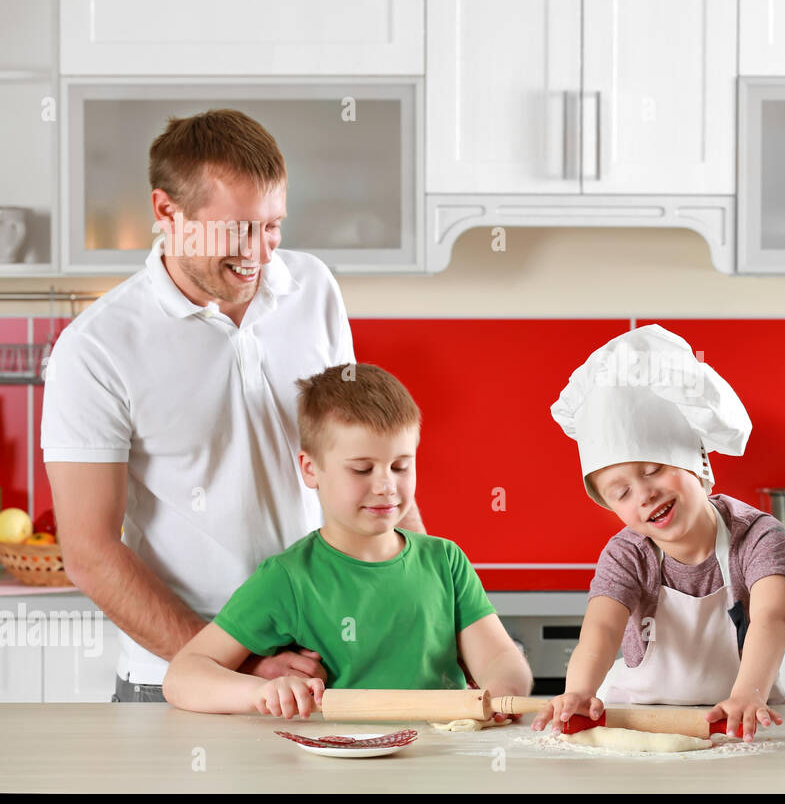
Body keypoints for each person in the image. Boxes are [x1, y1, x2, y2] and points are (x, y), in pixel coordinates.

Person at [41, 108, 425, 703]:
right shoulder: (96, 348)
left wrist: (430, 609)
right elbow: (91, 552)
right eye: (239, 229)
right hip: (181, 687)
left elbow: (370, 457)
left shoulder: (314, 289)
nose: (261, 253)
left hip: (326, 668)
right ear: (168, 211)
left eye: (273, 226)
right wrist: (239, 666)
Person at [163, 364, 531, 717]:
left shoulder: (446, 561)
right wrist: (260, 692)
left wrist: (501, 691)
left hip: (438, 755)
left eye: (401, 466)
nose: (386, 485)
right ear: (311, 469)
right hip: (334, 757)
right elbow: (183, 677)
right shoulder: (288, 578)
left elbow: (499, 658)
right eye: (362, 469)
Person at [532, 325, 785, 742]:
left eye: (654, 469)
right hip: (642, 724)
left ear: (699, 463)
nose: (645, 494)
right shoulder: (627, 553)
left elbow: (772, 618)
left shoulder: (758, 536)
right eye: (621, 493)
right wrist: (579, 691)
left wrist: (748, 695)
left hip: (743, 720)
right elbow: (602, 628)